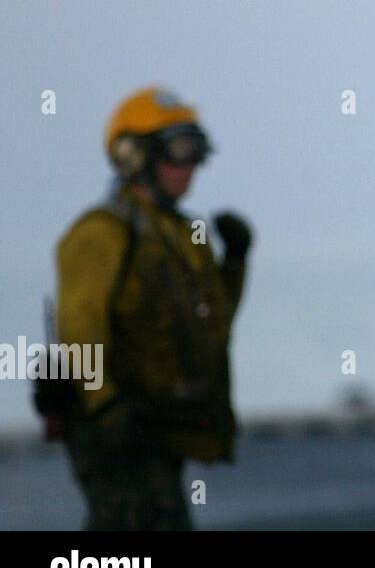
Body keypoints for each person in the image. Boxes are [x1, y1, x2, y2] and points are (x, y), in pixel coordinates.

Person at [52, 87, 252, 530]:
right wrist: (104, 405)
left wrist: (235, 262)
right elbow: (78, 325)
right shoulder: (102, 233)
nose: (191, 166)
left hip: (163, 426)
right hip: (120, 426)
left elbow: (210, 323)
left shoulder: (186, 233)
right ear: (133, 155)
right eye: (180, 150)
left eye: (197, 150)